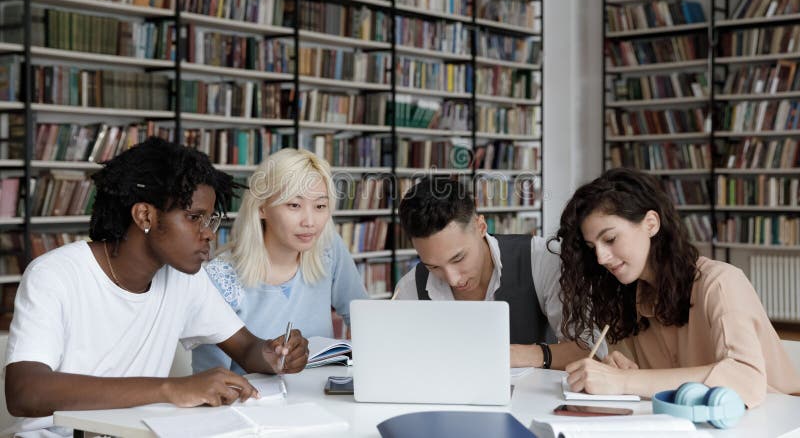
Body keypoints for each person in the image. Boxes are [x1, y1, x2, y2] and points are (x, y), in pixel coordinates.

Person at [4, 138, 309, 437]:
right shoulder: (55, 275)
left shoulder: (184, 279)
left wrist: (274, 354)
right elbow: (25, 391)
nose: (208, 234)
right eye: (194, 218)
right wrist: (171, 388)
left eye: (210, 220)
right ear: (145, 216)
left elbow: (246, 348)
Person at [556, 167, 800, 407]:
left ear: (651, 224)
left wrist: (624, 381)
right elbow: (646, 384)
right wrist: (621, 372)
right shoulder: (624, 300)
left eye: (610, 239)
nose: (600, 258)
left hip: (778, 419)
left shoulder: (720, 283)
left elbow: (745, 380)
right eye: (592, 247)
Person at [192, 148, 368, 374]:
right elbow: (211, 378)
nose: (310, 222)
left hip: (324, 391)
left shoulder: (329, 247)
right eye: (294, 205)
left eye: (320, 206)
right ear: (262, 207)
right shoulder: (220, 277)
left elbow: (365, 318)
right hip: (252, 396)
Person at [393, 176, 599, 369]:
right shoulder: (409, 288)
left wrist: (523, 355)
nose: (453, 279)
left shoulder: (542, 258)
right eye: (433, 267)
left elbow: (592, 350)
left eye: (458, 258)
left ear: (481, 226)